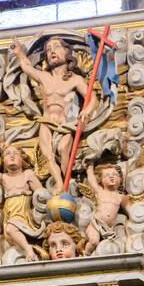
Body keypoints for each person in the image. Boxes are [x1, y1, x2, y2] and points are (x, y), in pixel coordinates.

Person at [11, 35, 94, 188]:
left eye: (56, 47)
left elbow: (92, 97)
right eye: (48, 49)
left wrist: (86, 111)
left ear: (67, 52)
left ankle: (66, 184)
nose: (52, 51)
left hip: (65, 123)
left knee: (63, 149)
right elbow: (27, 67)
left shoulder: (75, 79)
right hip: (47, 121)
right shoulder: (44, 76)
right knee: (48, 155)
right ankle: (59, 184)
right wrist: (19, 53)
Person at [0, 145, 44, 261]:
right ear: (3, 161)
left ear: (22, 159)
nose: (11, 156)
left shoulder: (27, 174)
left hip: (22, 209)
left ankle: (28, 249)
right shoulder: (5, 177)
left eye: (15, 153)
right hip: (9, 210)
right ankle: (26, 247)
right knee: (9, 232)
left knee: (11, 229)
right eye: (7, 154)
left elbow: (40, 193)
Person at [84, 162, 132, 254]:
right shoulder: (100, 192)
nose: (111, 177)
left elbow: (131, 211)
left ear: (120, 179)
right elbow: (91, 180)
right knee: (93, 241)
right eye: (107, 175)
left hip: (110, 228)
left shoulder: (121, 197)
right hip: (96, 223)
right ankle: (85, 254)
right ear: (101, 180)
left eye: (115, 175)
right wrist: (89, 167)